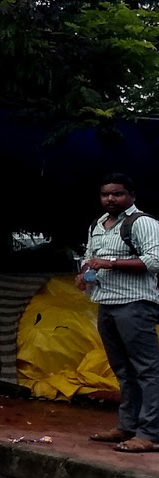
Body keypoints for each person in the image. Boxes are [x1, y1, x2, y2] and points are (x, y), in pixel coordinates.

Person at [78, 173, 159, 453]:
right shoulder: (98, 224)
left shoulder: (143, 223)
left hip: (135, 304)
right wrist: (85, 273)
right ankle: (127, 427)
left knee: (147, 369)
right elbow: (90, 258)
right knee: (123, 370)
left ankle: (150, 433)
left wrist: (109, 263)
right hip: (107, 304)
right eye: (105, 194)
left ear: (131, 196)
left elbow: (154, 261)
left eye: (118, 194)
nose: (110, 199)